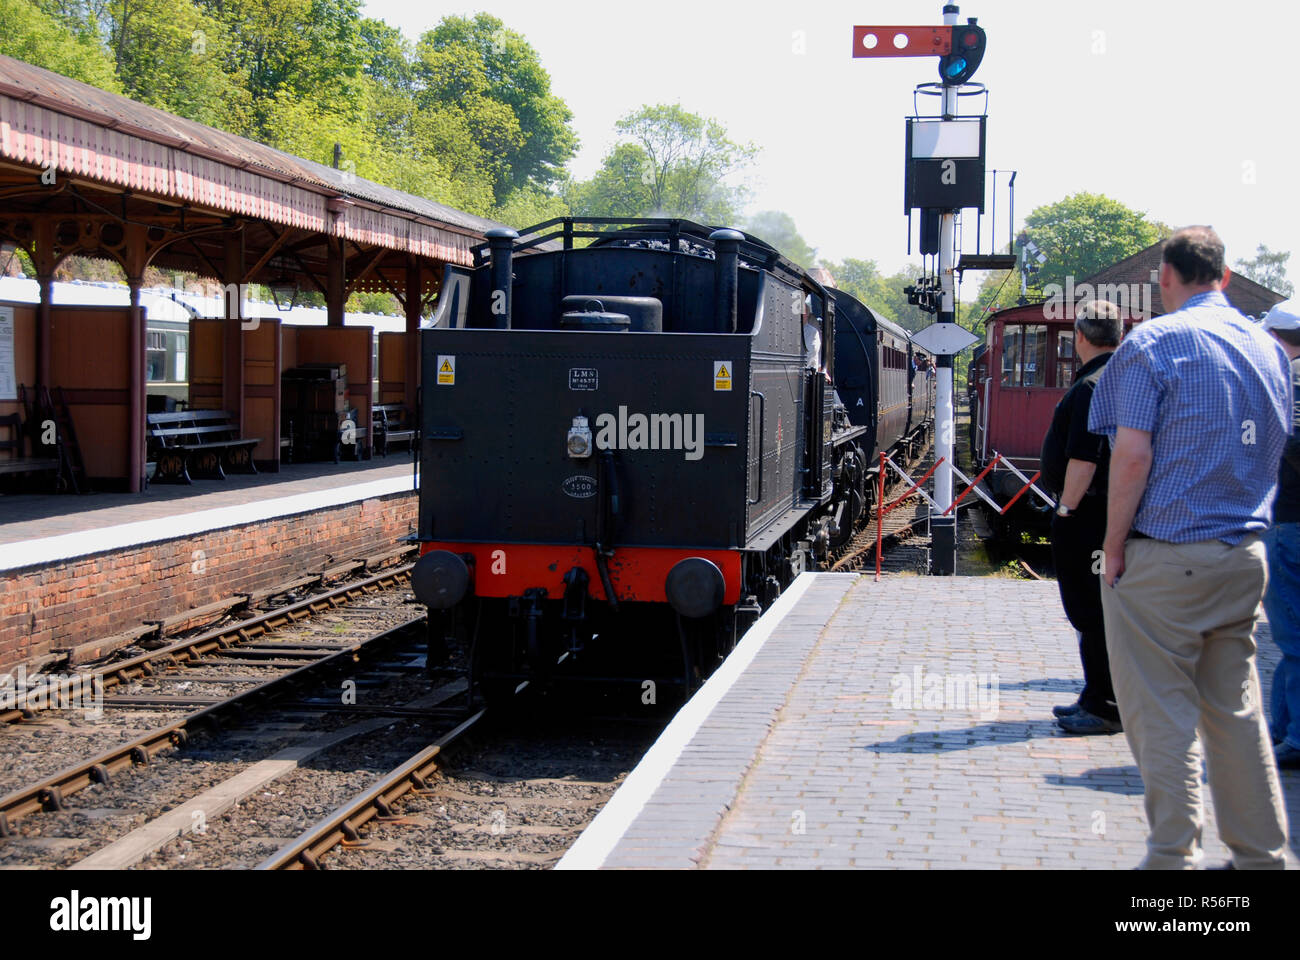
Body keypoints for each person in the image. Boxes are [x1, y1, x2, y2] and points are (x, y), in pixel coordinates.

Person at [1089, 226, 1292, 870]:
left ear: (1165, 278)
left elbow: (1132, 454)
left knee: (1162, 714)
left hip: (1166, 557)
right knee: (1234, 711)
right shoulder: (1269, 349)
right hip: (1244, 556)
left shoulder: (1152, 343)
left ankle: (1172, 863)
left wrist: (1113, 546)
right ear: (1225, 277)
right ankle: (1261, 858)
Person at [1039, 300, 1123, 735]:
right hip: (1108, 510)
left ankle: (1105, 705)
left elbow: (1084, 458)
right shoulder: (1122, 378)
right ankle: (1096, 696)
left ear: (1081, 338)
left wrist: (1066, 509)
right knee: (1098, 611)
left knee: (1090, 610)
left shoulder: (1093, 386)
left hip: (1088, 513)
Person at [1261, 298, 1300, 769]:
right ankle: (1281, 729)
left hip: (1289, 519)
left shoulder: (1286, 380)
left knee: (1290, 636)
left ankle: (1292, 734)